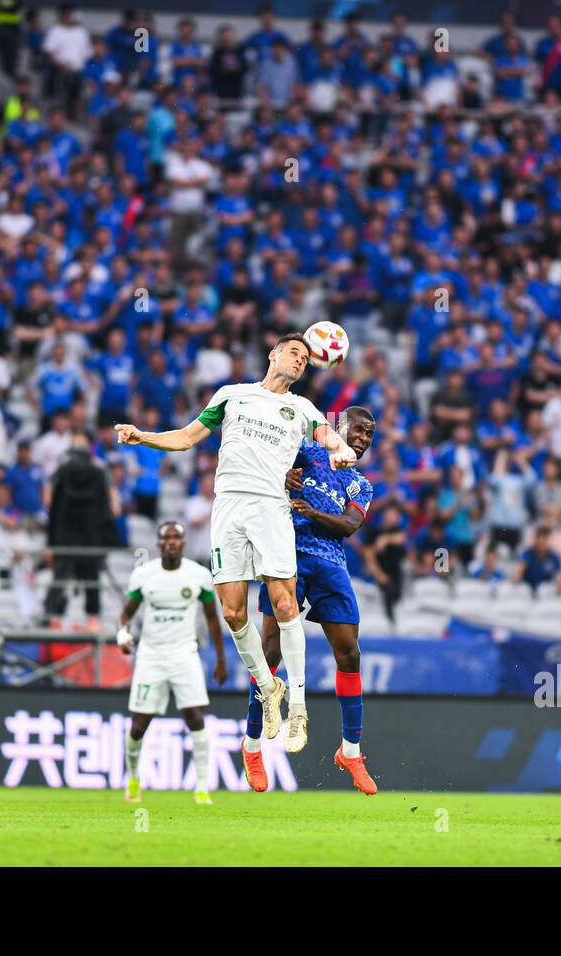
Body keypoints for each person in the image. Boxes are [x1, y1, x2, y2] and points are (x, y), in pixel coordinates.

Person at [114, 331, 358, 755]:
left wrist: (342, 451)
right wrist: (143, 436)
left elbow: (329, 437)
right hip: (227, 507)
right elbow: (188, 436)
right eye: (294, 353)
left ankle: (297, 708)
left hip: (270, 508)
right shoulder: (232, 395)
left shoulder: (301, 408)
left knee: (284, 605)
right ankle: (269, 688)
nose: (300, 361)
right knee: (232, 612)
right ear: (274, 354)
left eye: (305, 358)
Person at [249, 405, 377, 794]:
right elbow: (270, 460)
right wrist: (281, 474)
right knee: (269, 653)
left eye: (370, 434)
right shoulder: (310, 451)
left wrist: (313, 512)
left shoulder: (360, 484)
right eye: (359, 429)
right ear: (339, 427)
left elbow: (351, 525)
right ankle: (253, 746)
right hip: (288, 553)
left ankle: (350, 751)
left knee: (350, 654)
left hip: (331, 564)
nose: (364, 437)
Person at [117, 522, 228, 805]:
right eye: (165, 538)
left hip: (184, 653)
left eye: (176, 537)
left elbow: (213, 619)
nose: (170, 542)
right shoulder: (144, 575)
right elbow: (125, 614)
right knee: (139, 725)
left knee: (195, 717)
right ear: (158, 543)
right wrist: (122, 634)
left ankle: (202, 787)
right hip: (150, 655)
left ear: (183, 543)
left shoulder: (199, 575)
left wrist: (220, 658)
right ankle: (132, 778)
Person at [44, 430, 118, 631]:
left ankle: (54, 621)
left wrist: (51, 543)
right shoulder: (99, 473)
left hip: (65, 539)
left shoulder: (61, 472)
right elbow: (105, 510)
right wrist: (105, 542)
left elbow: (54, 510)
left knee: (61, 578)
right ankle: (93, 620)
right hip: (91, 538)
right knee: (91, 579)